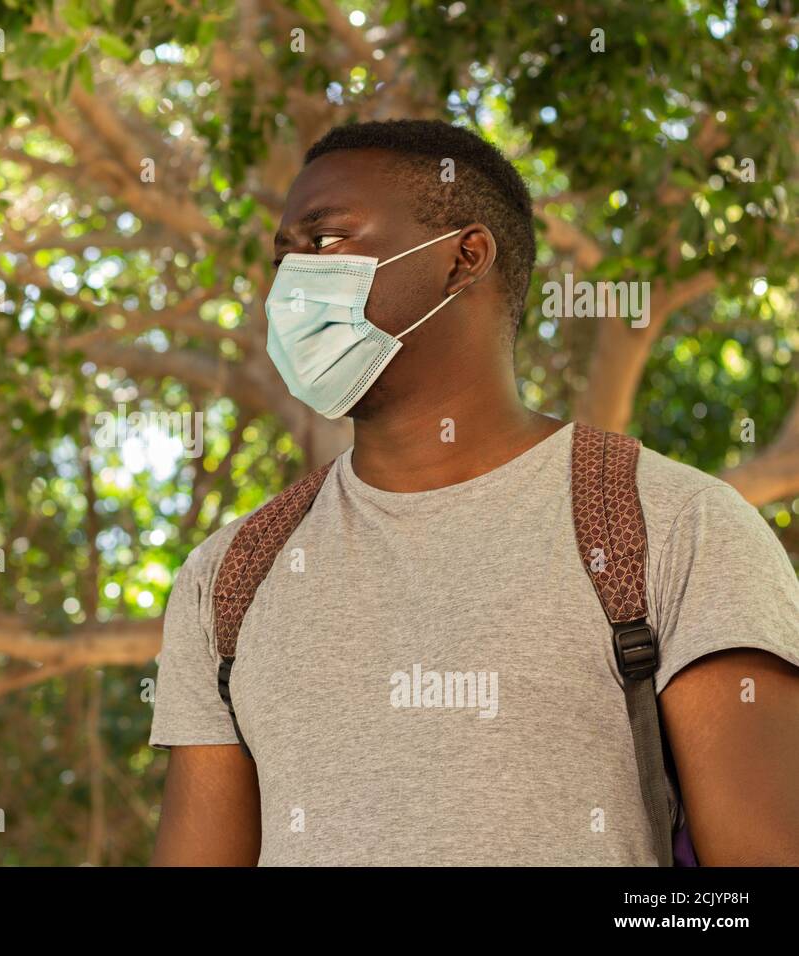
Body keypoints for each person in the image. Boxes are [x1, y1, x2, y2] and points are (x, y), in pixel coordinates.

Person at [148, 119, 799, 866]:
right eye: (283, 258)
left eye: (326, 243)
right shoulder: (226, 578)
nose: (291, 284)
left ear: (464, 259)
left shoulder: (676, 528)